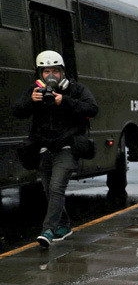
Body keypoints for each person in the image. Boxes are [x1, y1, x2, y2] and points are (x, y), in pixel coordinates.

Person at [13, 50, 99, 248]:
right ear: (40, 74)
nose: (51, 76)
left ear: (62, 72)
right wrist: (30, 101)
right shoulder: (34, 91)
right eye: (46, 71)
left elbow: (93, 108)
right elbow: (17, 111)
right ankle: (64, 225)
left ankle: (48, 230)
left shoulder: (75, 89)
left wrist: (65, 101)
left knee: (56, 187)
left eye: (55, 71)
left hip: (67, 148)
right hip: (43, 149)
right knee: (49, 191)